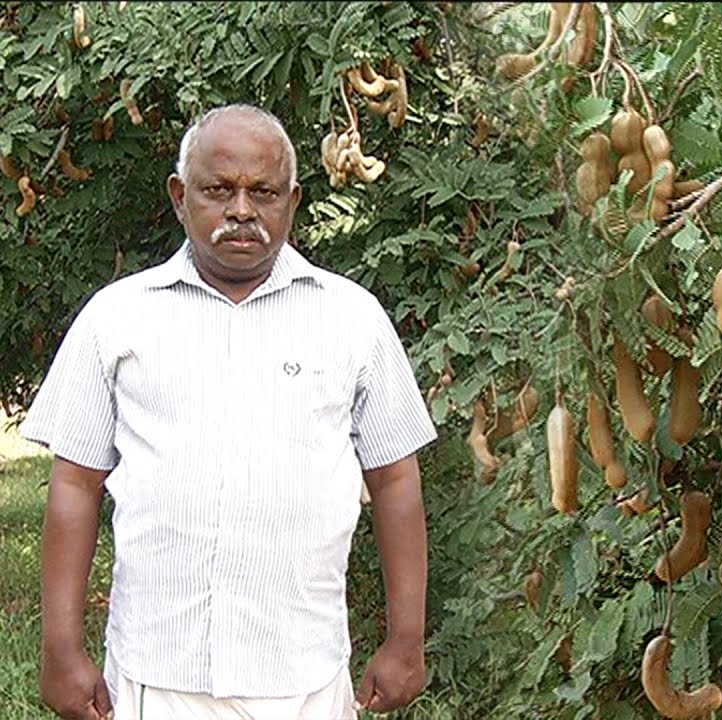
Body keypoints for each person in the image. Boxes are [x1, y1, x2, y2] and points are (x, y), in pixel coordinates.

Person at [21, 104, 436, 719]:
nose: (241, 210)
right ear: (180, 197)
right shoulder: (116, 319)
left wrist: (406, 639)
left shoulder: (352, 320)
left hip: (304, 678)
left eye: (262, 192)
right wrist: (60, 646)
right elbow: (75, 484)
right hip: (155, 677)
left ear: (292, 201)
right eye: (218, 190)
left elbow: (395, 479)